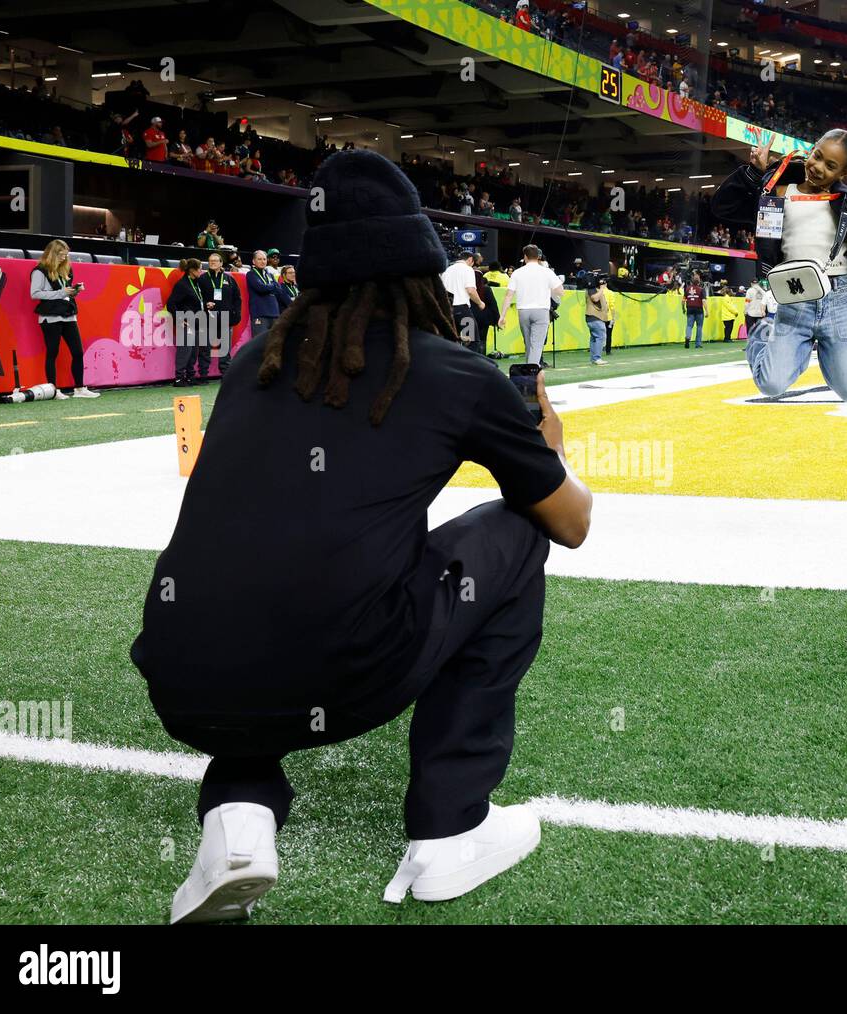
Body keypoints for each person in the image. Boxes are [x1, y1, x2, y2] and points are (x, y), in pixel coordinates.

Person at [130, 150, 593, 923]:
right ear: (422, 267)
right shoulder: (452, 372)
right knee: (515, 532)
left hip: (181, 681)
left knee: (273, 569)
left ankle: (236, 819)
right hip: (340, 672)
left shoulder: (254, 366)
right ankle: (452, 826)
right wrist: (546, 447)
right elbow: (571, 522)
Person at [710, 123, 847, 400]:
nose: (818, 167)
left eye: (830, 165)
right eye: (817, 156)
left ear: (843, 173)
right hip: (794, 298)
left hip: (840, 299)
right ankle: (761, 333)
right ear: (811, 150)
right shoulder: (777, 194)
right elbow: (723, 207)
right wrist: (754, 172)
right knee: (770, 384)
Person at [30, 240, 98, 399]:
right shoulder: (39, 271)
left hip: (68, 315)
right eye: (61, 255)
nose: (64, 258)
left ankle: (80, 388)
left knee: (78, 352)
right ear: (52, 254)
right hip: (50, 317)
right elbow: (35, 294)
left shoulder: (65, 269)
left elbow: (64, 291)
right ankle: (53, 390)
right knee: (52, 353)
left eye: (66, 255)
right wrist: (61, 293)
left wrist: (74, 291)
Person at [498, 244, 563, 366]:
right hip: (541, 310)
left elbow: (508, 295)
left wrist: (502, 315)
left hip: (523, 311)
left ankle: (528, 374)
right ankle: (531, 374)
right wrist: (547, 289)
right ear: (538, 257)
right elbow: (560, 291)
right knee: (536, 346)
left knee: (529, 345)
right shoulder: (546, 272)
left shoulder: (517, 273)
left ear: (525, 257)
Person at [199, 250, 240, 381]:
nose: (212, 263)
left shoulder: (229, 279)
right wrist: (205, 304)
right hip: (208, 318)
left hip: (225, 318)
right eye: (210, 261)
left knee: (225, 349)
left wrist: (236, 314)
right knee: (206, 348)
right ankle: (203, 374)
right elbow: (197, 297)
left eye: (215, 261)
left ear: (221, 263)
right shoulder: (203, 279)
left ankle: (226, 375)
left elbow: (237, 299)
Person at [167, 258, 208, 386]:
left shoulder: (196, 283)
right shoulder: (182, 284)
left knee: (193, 351)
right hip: (187, 322)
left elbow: (196, 302)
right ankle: (179, 378)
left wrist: (206, 305)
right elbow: (171, 304)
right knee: (184, 351)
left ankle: (190, 376)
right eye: (200, 268)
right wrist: (179, 319)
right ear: (192, 270)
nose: (201, 271)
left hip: (196, 322)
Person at [440, 251, 483, 346]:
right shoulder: (467, 269)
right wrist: (480, 303)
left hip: (447, 311)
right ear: (470, 259)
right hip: (462, 310)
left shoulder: (447, 270)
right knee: (472, 342)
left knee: (451, 343)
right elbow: (470, 290)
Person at [246, 249, 281, 343]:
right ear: (254, 261)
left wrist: (270, 287)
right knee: (259, 344)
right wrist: (273, 286)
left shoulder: (269, 274)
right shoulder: (251, 274)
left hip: (274, 314)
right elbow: (261, 288)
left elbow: (279, 290)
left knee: (274, 344)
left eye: (264, 259)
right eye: (259, 259)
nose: (262, 261)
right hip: (260, 314)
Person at [585, 278, 608, 365]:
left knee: (594, 338)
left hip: (594, 317)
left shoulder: (594, 289)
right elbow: (595, 299)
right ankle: (597, 358)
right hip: (595, 317)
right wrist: (602, 288)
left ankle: (594, 359)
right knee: (600, 337)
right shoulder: (592, 288)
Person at [682, 270, 706, 349]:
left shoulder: (688, 289)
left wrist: (683, 308)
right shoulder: (701, 290)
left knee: (689, 326)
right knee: (699, 326)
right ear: (699, 282)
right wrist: (707, 311)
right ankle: (698, 344)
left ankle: (688, 337)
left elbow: (683, 300)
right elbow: (704, 301)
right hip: (699, 310)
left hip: (690, 309)